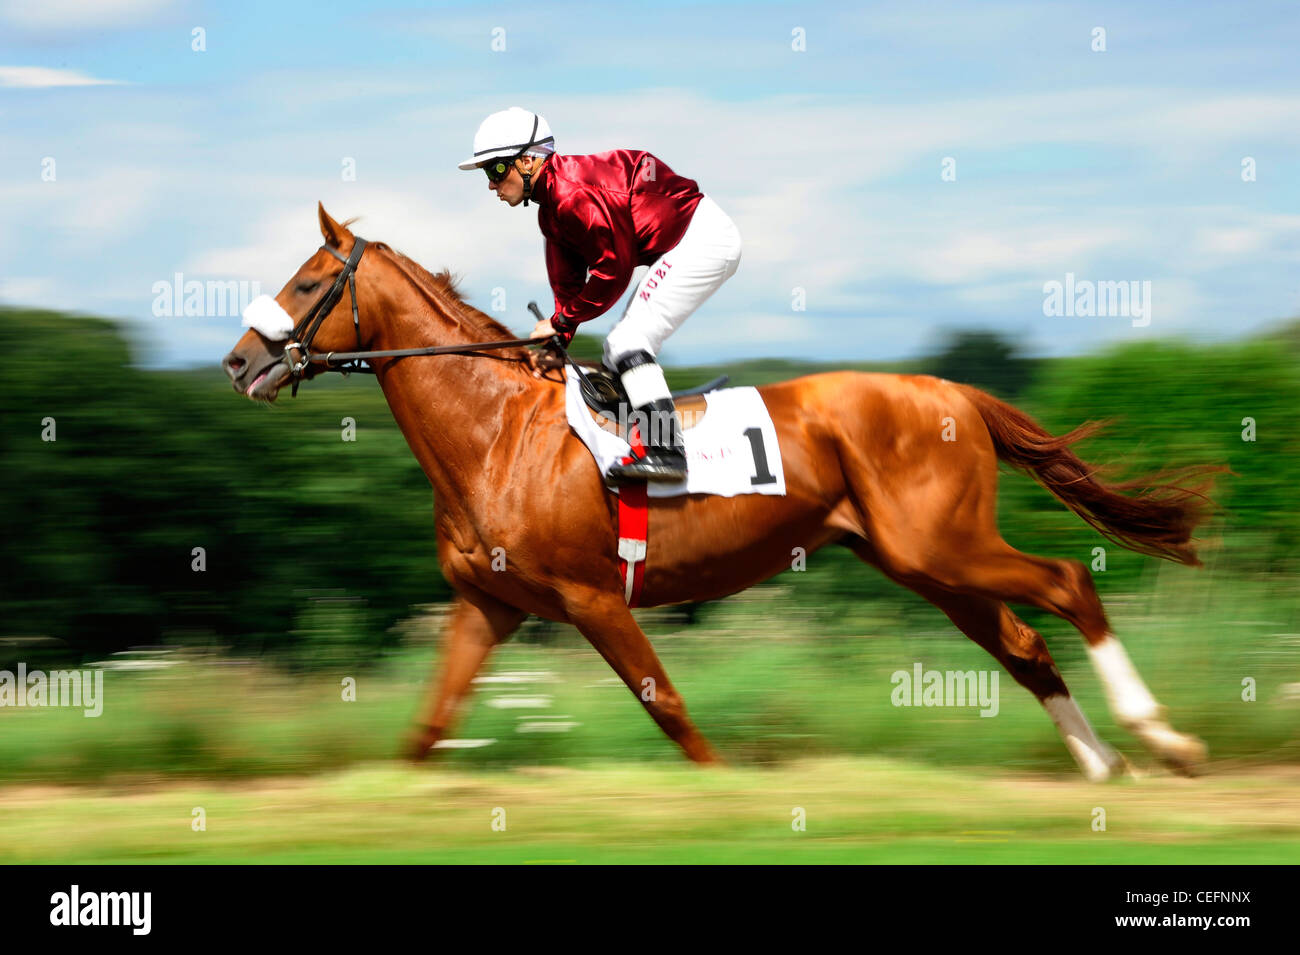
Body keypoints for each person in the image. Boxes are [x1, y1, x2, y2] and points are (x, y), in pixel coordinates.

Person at [458, 107, 742, 484]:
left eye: (496, 170)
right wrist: (561, 333)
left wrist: (560, 322)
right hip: (681, 245)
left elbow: (614, 271)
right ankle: (643, 423)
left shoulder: (572, 196)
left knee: (627, 341)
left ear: (528, 161)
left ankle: (667, 451)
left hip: (703, 241)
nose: (491, 185)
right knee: (614, 350)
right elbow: (569, 284)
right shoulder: (552, 211)